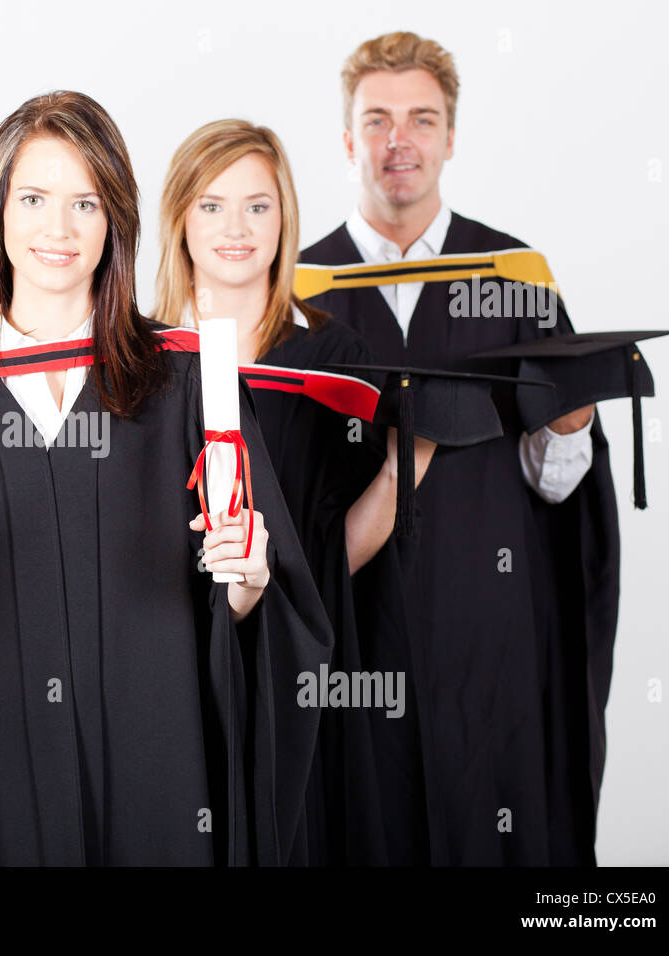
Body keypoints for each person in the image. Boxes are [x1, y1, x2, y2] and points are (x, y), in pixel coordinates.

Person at [0, 91, 334, 866]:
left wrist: (251, 578)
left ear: (114, 219)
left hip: (158, 783)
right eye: (33, 198)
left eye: (84, 202)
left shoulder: (186, 379)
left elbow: (244, 613)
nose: (57, 230)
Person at [299, 31, 621, 864]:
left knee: (494, 819)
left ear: (450, 136)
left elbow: (558, 489)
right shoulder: (298, 289)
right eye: (376, 120)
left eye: (420, 119)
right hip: (354, 628)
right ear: (346, 139)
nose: (397, 140)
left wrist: (569, 424)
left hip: (491, 625)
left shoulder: (515, 273)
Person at [155, 118, 436, 864]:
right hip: (165, 660)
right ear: (180, 217)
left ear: (286, 220)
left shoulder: (333, 358)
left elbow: (340, 549)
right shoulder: (141, 359)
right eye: (211, 205)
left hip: (292, 662)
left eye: (258, 205)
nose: (236, 228)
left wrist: (408, 461)